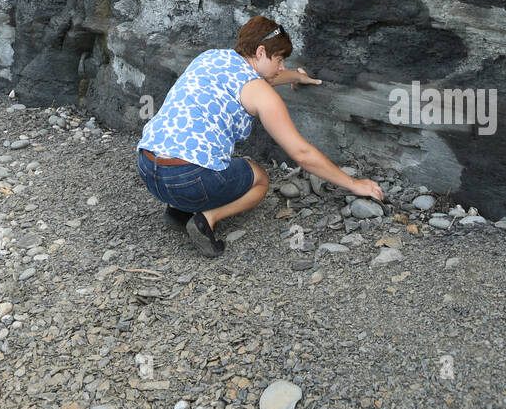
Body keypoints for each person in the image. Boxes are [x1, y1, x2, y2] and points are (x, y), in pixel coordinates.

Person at [135, 14, 385, 257]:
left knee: (193, 158)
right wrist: (354, 184)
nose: (282, 67)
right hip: (189, 179)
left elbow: (256, 78)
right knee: (260, 179)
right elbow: (302, 153)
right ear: (261, 52)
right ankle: (205, 219)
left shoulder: (210, 58)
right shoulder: (263, 96)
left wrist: (297, 77)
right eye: (279, 59)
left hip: (147, 167)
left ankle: (177, 210)